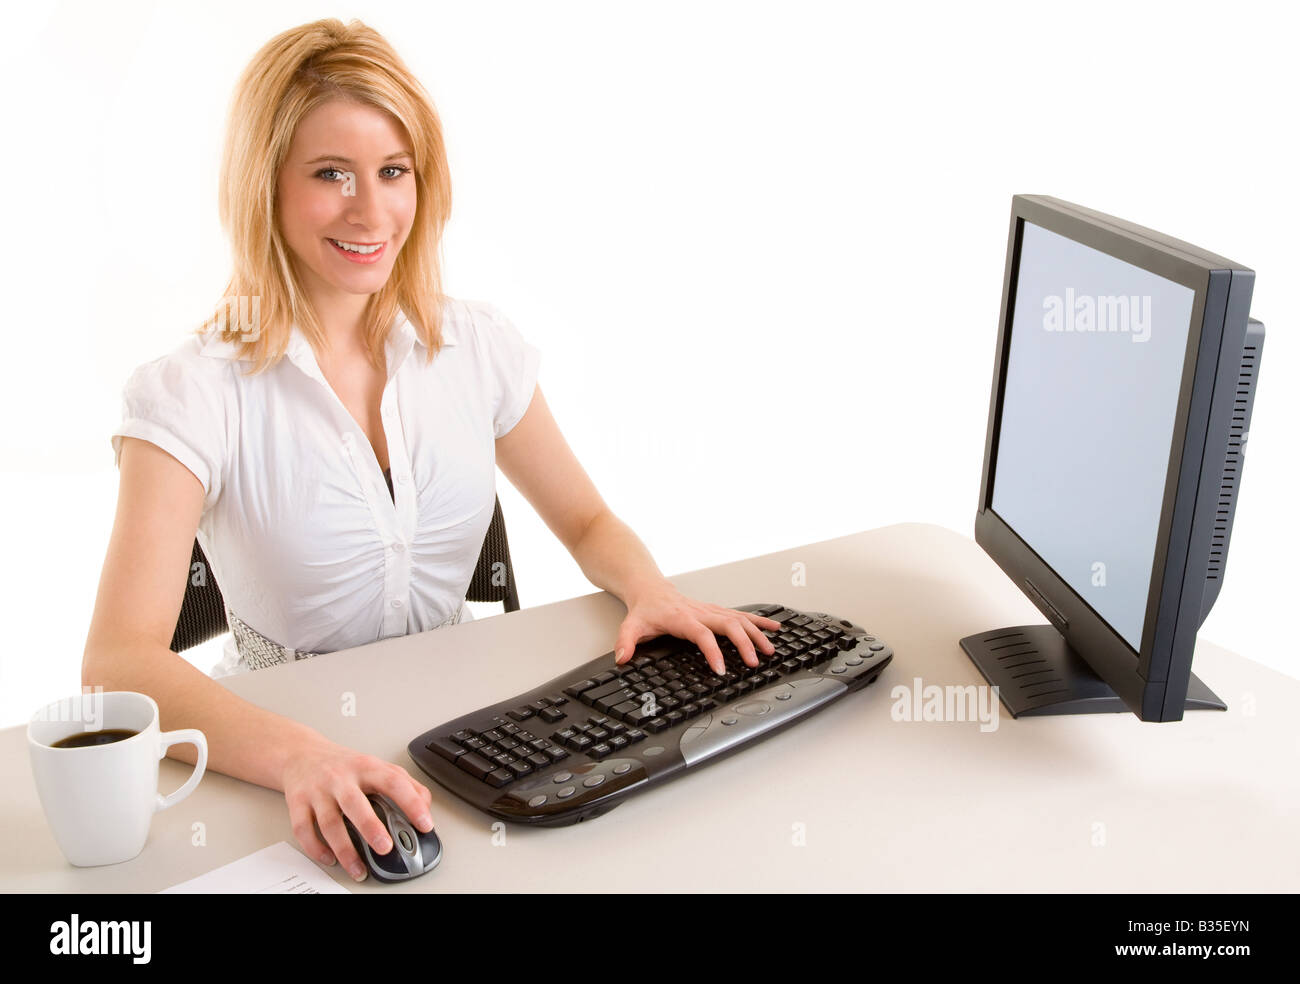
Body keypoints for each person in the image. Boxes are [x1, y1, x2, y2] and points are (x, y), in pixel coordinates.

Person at [82, 18, 780, 882]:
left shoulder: (475, 347)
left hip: (465, 734)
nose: (372, 213)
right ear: (265, 185)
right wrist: (303, 758)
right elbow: (117, 662)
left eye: (393, 172)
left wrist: (651, 591)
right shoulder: (191, 393)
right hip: (274, 759)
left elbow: (588, 519)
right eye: (330, 174)